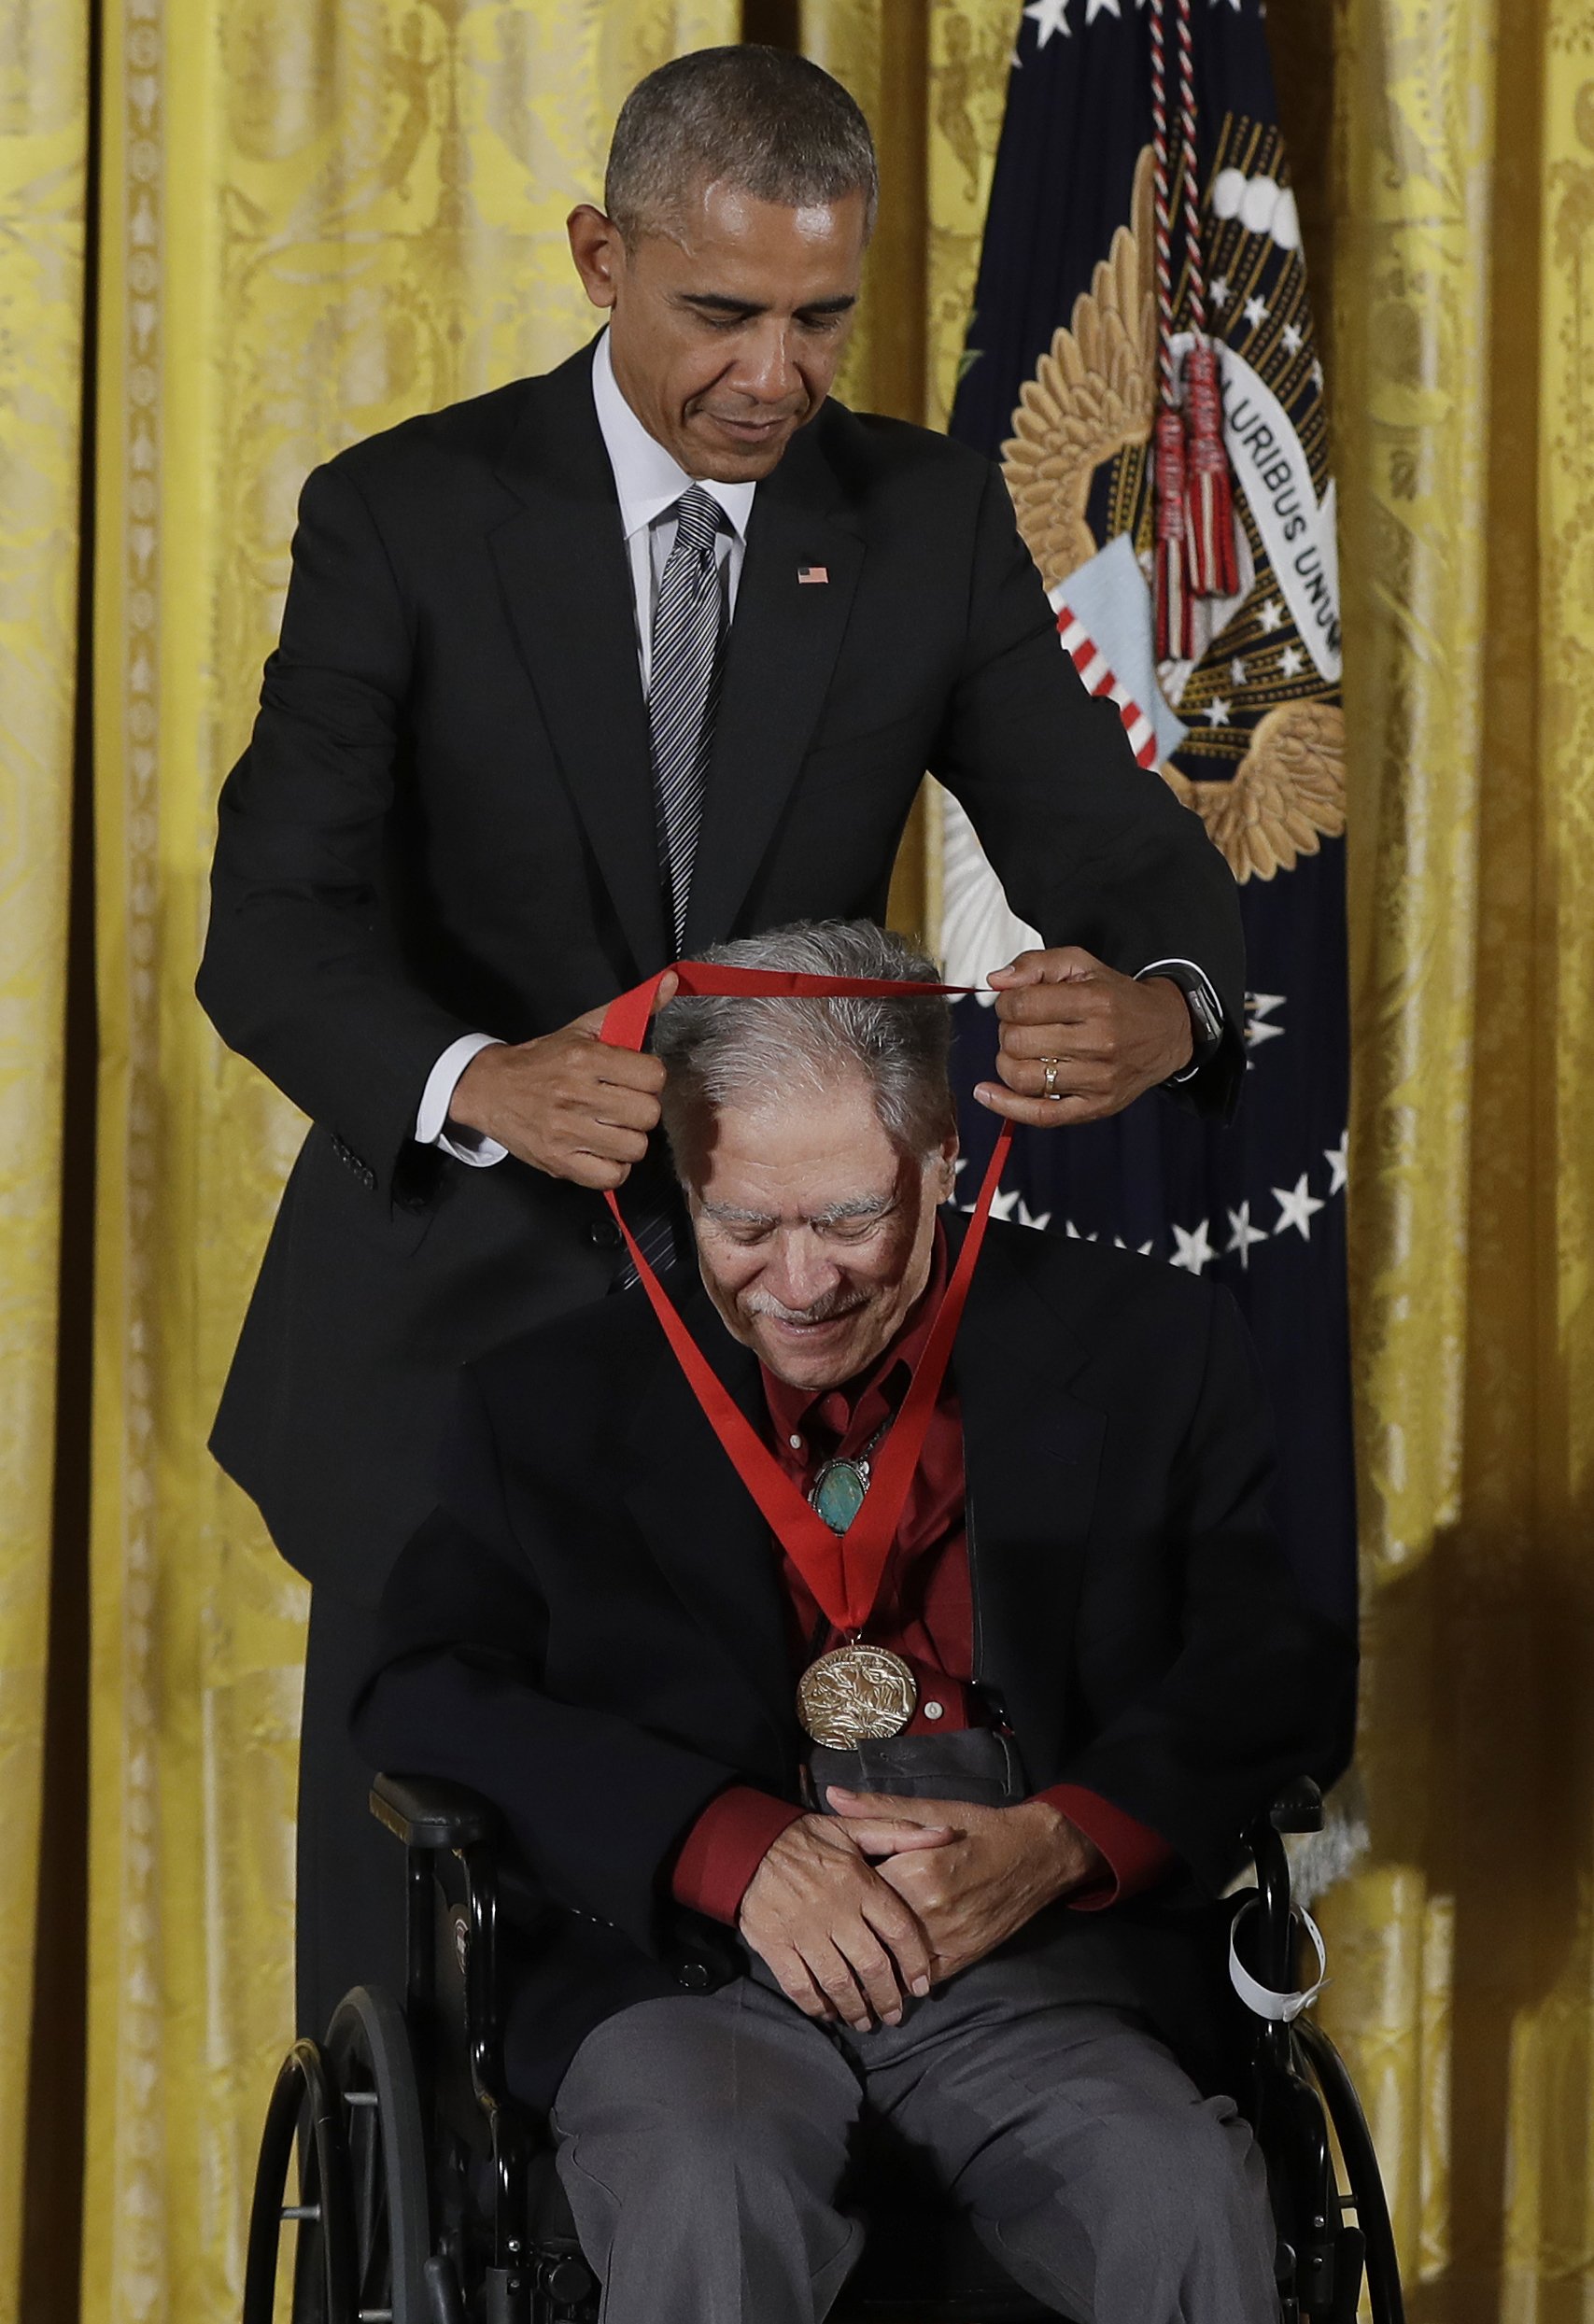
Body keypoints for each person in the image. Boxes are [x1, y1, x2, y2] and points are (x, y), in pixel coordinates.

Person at [197, 45, 1246, 2037]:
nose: (773, 373)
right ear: (604, 257)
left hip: (793, 1350)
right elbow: (273, 930)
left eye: (819, 319)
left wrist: (1167, 1008)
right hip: (454, 1333)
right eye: (723, 315)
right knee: (424, 1973)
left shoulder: (917, 520)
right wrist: (469, 1081)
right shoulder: (410, 513)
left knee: (777, 1962)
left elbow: (1134, 863)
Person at [356, 920, 1353, 2324]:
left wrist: (1063, 1839)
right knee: (710, 2185)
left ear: (942, 1161)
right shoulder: (547, 1401)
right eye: (741, 1223)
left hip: (1038, 1965)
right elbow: (419, 1690)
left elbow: (1279, 1658)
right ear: (679, 1184)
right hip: (690, 1981)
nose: (800, 1282)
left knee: (1175, 2190)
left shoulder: (1150, 1344)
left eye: (847, 1218)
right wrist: (727, 1842)